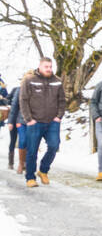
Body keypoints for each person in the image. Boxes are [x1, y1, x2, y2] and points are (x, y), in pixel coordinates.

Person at [20, 57, 66, 188]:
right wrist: (29, 119)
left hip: (52, 122)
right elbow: (23, 100)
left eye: (51, 67)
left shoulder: (57, 81)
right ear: (39, 66)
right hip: (35, 122)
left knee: (54, 146)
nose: (49, 69)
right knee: (32, 151)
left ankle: (43, 170)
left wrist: (59, 116)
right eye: (46, 67)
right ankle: (30, 177)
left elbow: (62, 100)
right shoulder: (29, 80)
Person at [7, 78, 27, 171]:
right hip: (15, 119)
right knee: (13, 140)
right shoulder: (16, 89)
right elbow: (9, 100)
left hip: (22, 120)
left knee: (23, 141)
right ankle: (11, 162)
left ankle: (23, 162)